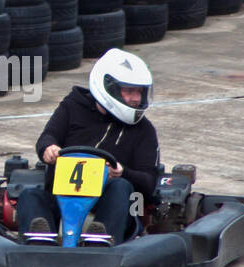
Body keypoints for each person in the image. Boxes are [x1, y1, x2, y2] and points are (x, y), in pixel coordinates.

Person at [15, 48, 159, 244]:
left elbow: (149, 182)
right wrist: (48, 148)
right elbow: (48, 136)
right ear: (109, 87)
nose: (136, 99)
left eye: (139, 92)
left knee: (121, 187)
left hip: (107, 208)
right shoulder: (73, 107)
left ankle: (99, 240)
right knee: (29, 195)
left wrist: (122, 172)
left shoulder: (144, 131)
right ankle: (40, 242)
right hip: (61, 199)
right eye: (129, 91)